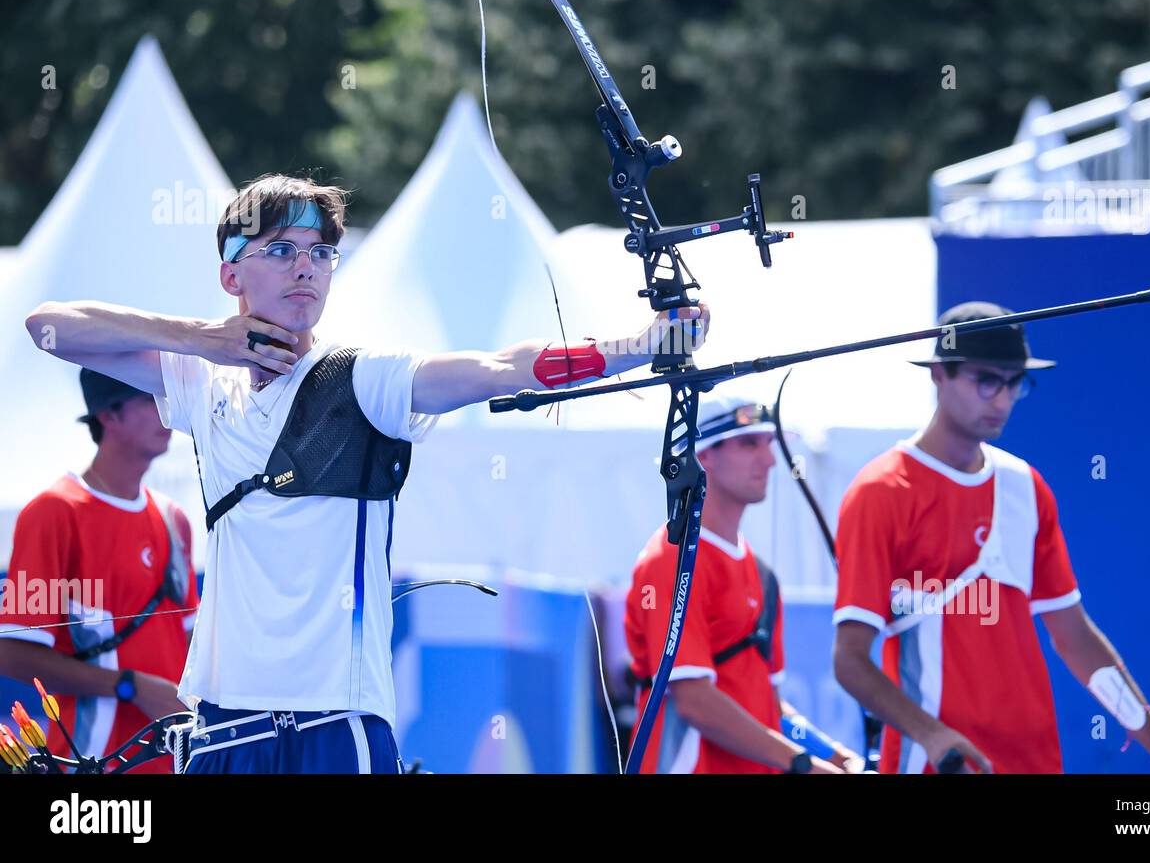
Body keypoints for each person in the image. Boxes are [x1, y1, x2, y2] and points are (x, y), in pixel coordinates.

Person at [24, 173, 709, 773]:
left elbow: (501, 368)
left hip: (335, 721)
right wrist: (204, 340)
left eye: (321, 253)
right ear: (231, 276)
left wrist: (642, 345)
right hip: (223, 725)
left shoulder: (364, 378)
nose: (307, 268)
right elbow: (48, 327)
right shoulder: (199, 379)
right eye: (282, 251)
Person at [830, 302, 1150, 774]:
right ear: (939, 375)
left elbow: (1075, 639)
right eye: (986, 380)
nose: (1002, 399)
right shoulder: (881, 492)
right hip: (936, 765)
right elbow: (850, 659)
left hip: (1035, 762)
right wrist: (932, 734)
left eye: (1014, 382)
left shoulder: (1025, 487)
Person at [625, 395, 861, 774]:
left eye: (769, 443)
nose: (769, 460)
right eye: (750, 444)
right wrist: (804, 766)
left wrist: (839, 758)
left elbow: (770, 707)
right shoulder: (670, 561)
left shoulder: (762, 574)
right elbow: (694, 699)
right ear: (703, 455)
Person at [0, 369, 198, 773]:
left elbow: (190, 638)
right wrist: (129, 686)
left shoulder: (174, 519)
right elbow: (11, 653)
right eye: (149, 399)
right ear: (108, 415)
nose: (166, 411)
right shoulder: (53, 513)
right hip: (95, 765)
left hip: (179, 761)